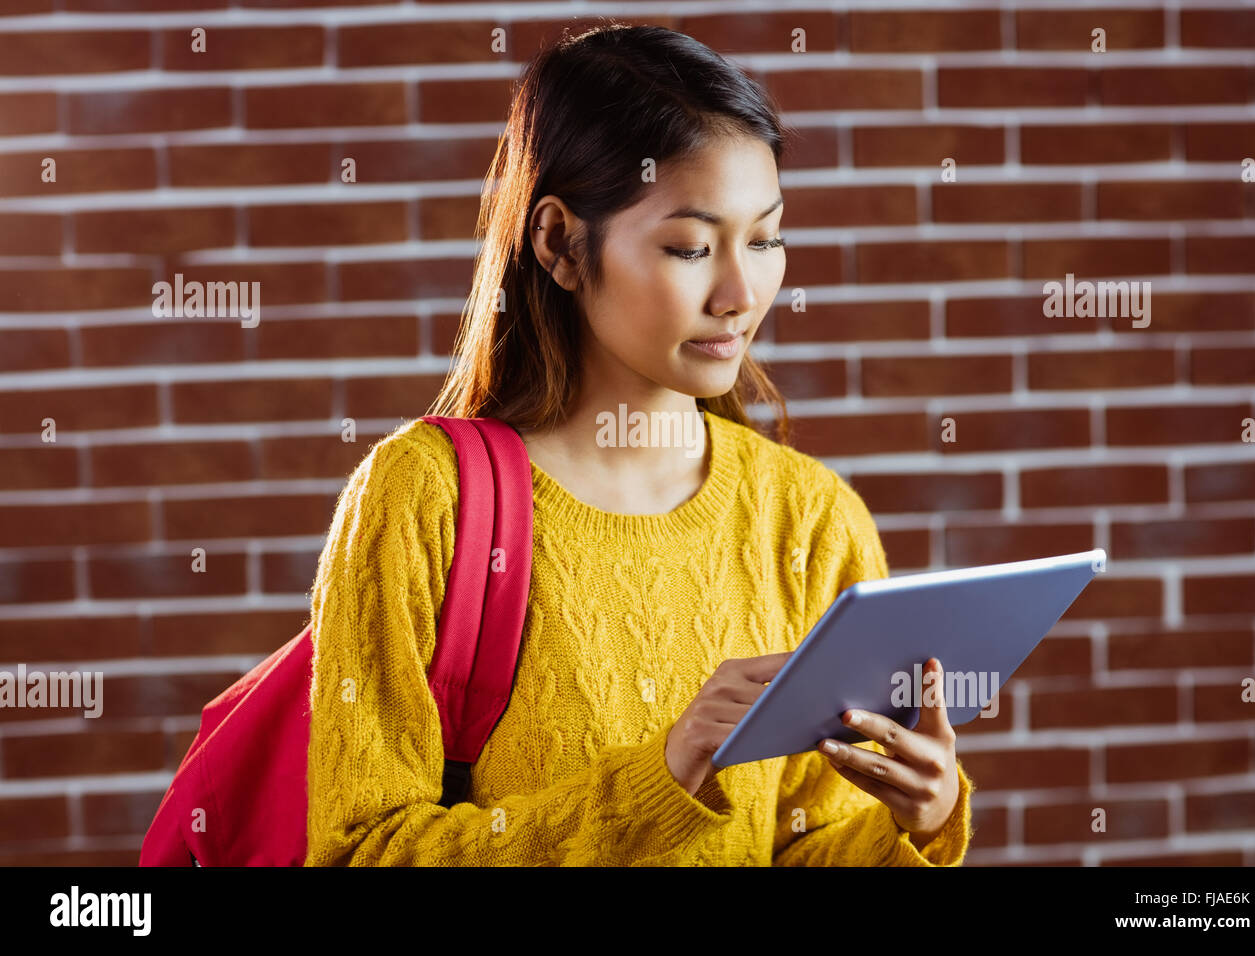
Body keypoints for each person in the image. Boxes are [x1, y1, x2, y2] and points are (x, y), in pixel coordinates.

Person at [304, 23, 974, 866]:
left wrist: (912, 824)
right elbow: (358, 852)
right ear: (558, 243)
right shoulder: (425, 497)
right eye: (690, 247)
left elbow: (801, 845)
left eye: (764, 238)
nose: (740, 293)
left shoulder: (809, 519)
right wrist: (662, 779)